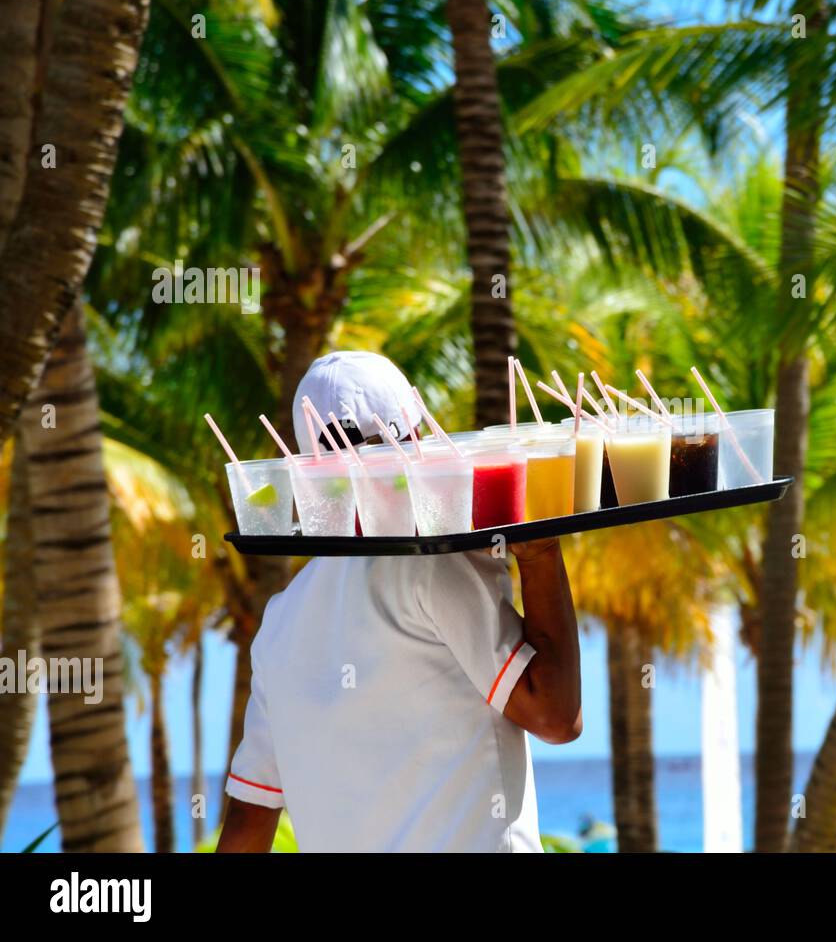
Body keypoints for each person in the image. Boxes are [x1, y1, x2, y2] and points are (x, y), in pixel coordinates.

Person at [216, 352, 581, 852]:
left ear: (310, 470)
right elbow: (556, 716)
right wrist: (540, 550)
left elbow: (246, 827)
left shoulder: (282, 619)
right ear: (419, 434)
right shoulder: (439, 559)